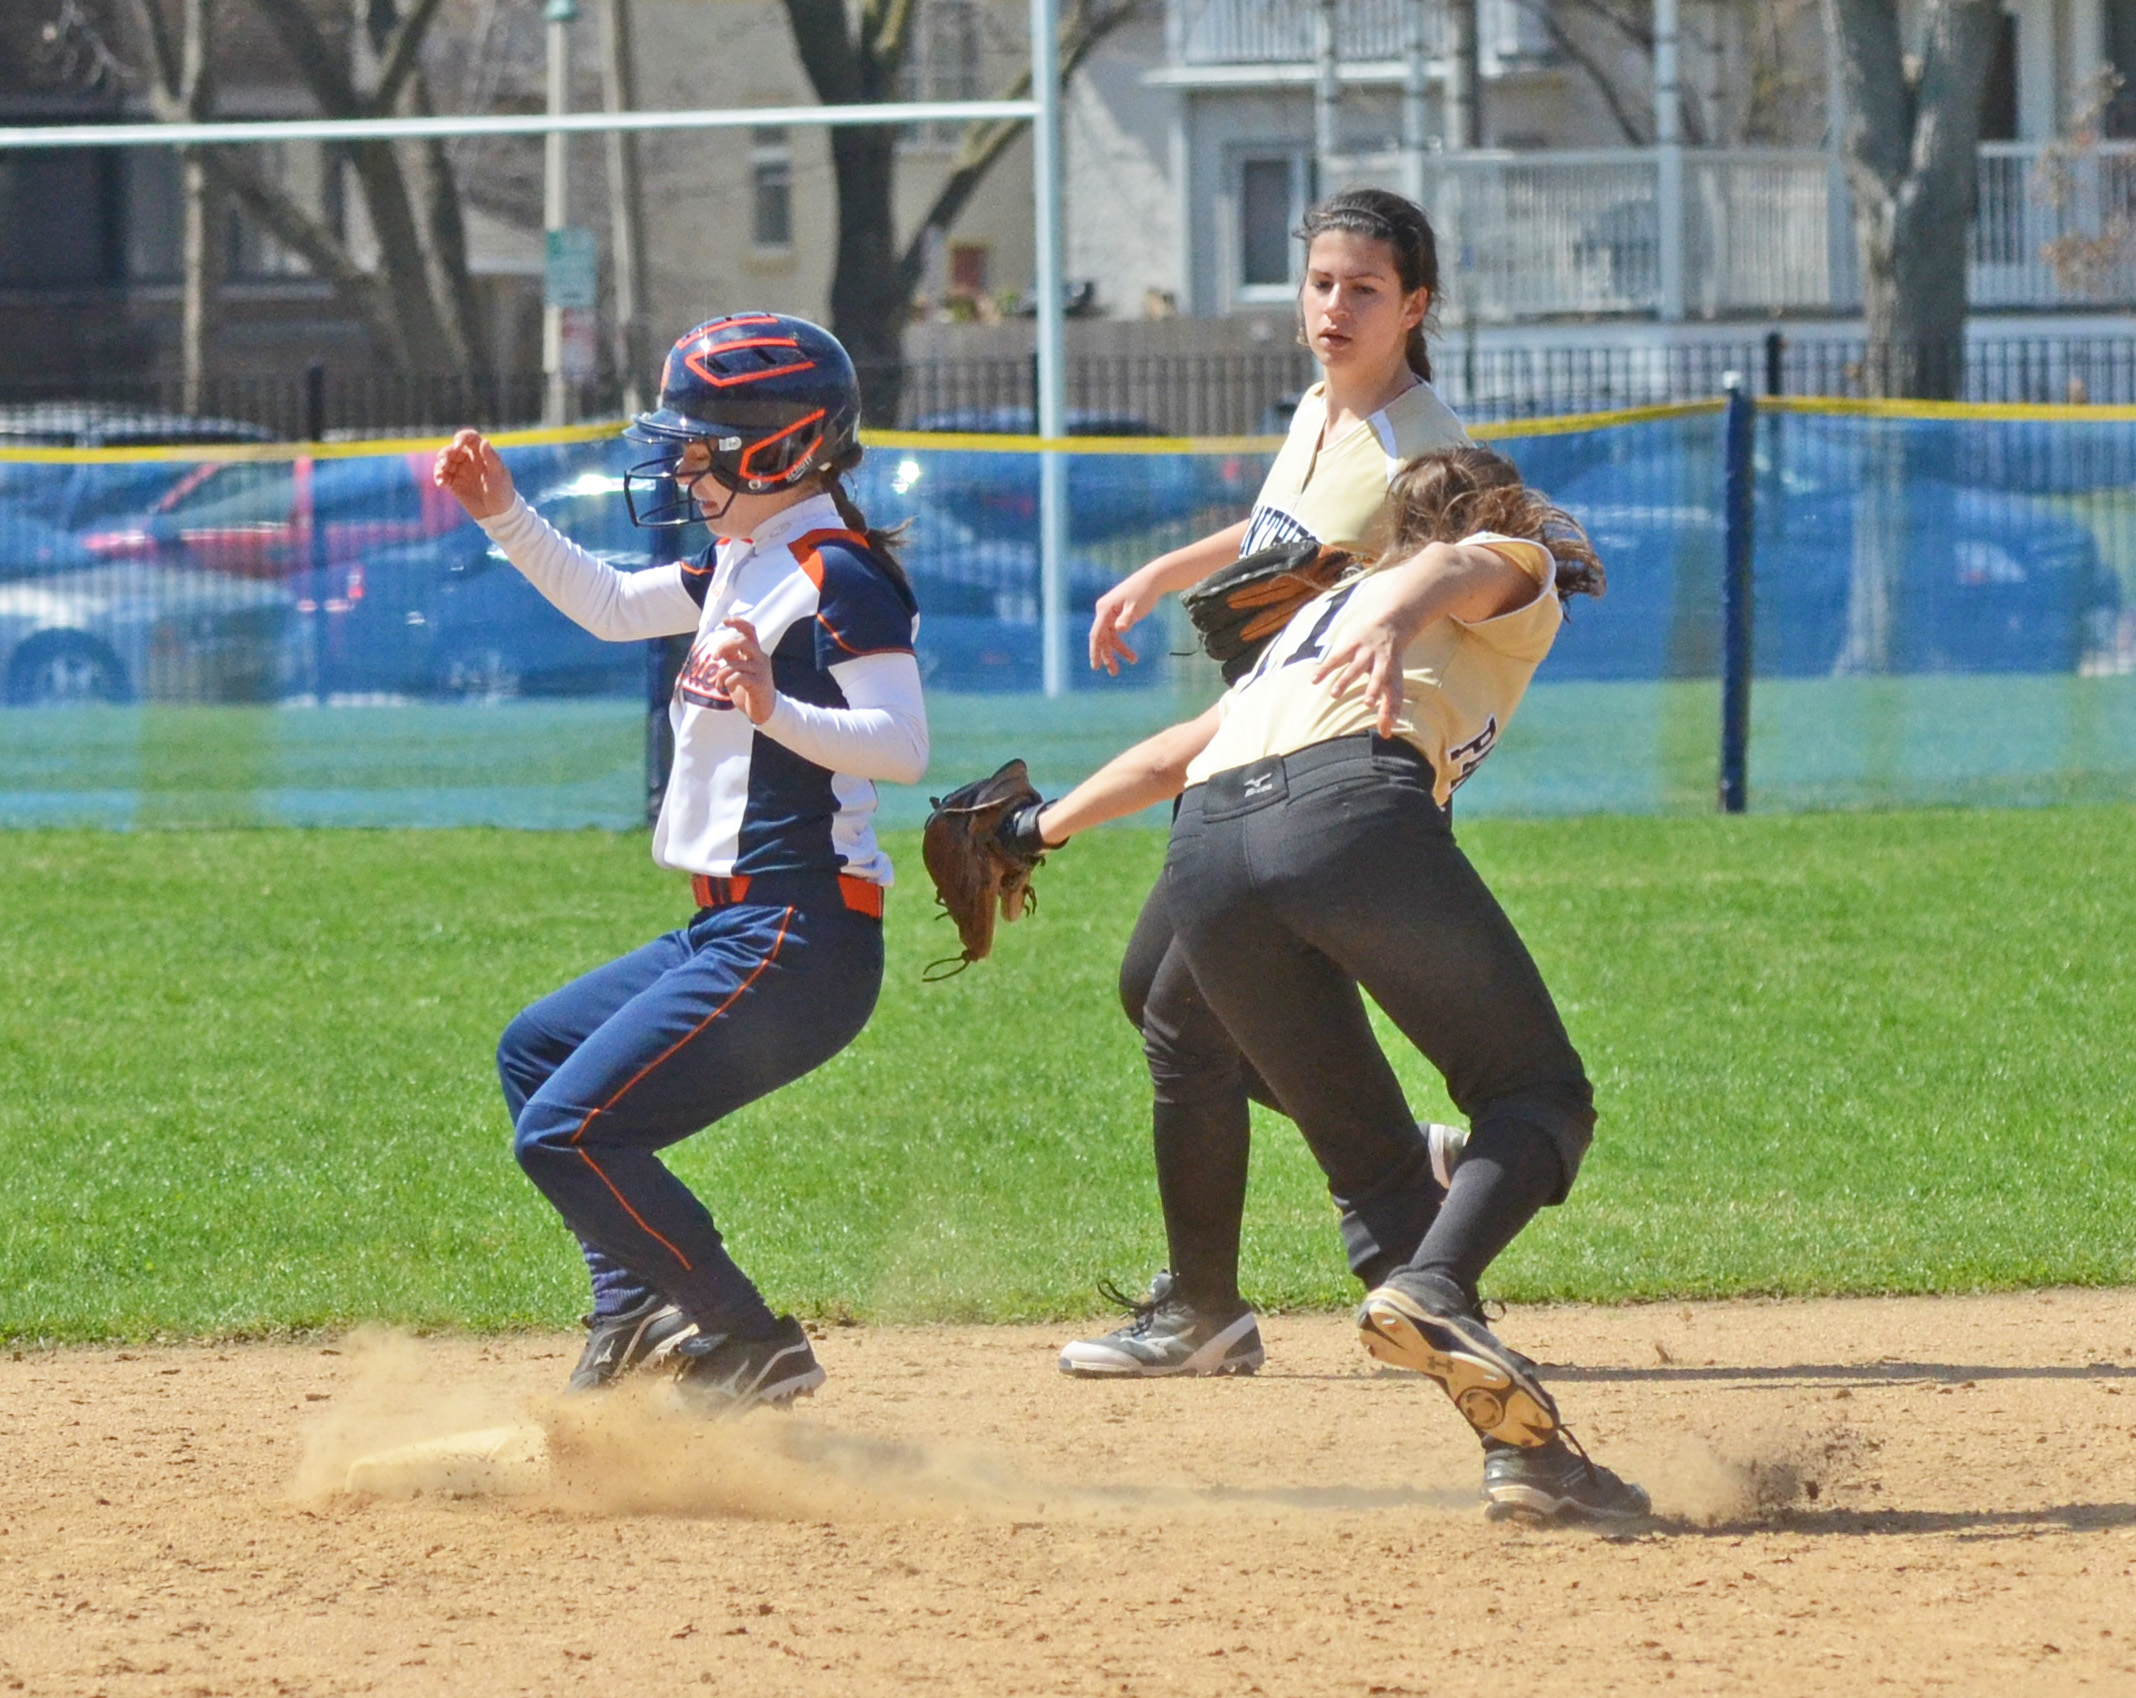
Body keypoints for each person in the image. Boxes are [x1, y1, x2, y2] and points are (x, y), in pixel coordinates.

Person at [1017, 446, 1648, 1522]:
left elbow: (1179, 755)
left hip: (1206, 855)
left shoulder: (1309, 629)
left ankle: (1531, 1461)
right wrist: (1400, 622)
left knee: (1389, 1191)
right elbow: (1449, 570)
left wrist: (1038, 827)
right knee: (1536, 1094)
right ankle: (1440, 1290)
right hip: (1346, 813)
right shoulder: (1494, 561)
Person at [432, 313, 926, 1414]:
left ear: (781, 447)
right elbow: (611, 606)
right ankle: (640, 1300)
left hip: (802, 937)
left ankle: (753, 1343)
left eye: (700, 443)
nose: (679, 463)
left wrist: (771, 703)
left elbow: (902, 744)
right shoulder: (743, 564)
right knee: (536, 1052)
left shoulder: (834, 574)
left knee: (565, 1132)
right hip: (736, 928)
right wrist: (501, 514)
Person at [1063, 187, 1474, 1378]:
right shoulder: (1318, 411)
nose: (1333, 306)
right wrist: (1155, 570)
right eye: (1320, 281)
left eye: (1363, 288)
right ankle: (1405, 1154)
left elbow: (1455, 581)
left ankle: (1204, 1312)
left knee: (1189, 1025)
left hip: (1318, 778)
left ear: (1416, 307)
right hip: (1249, 757)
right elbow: (1270, 538)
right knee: (1153, 992)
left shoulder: (1422, 452)